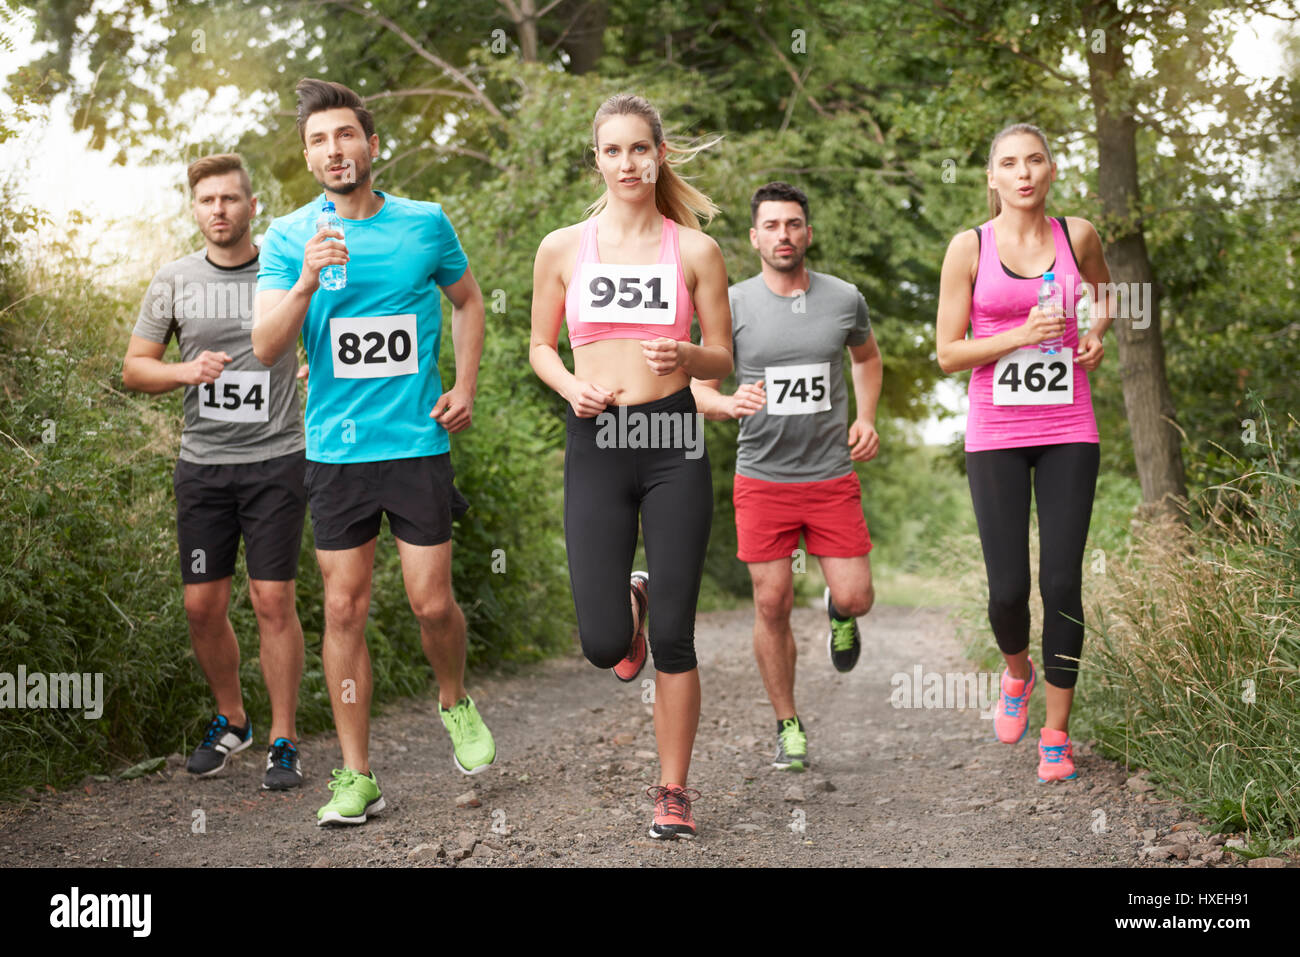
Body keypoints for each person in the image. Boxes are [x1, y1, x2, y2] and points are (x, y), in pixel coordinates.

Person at [252, 78, 494, 825]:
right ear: (307, 155)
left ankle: (453, 698)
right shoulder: (291, 237)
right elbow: (265, 348)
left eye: (346, 135)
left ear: (372, 144)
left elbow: (469, 301)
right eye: (320, 140)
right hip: (335, 452)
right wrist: (306, 282)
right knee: (342, 606)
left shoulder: (424, 224)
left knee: (430, 602)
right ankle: (357, 774)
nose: (335, 149)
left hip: (417, 441)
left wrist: (466, 384)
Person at [529, 93, 733, 839]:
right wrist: (569, 384)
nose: (626, 163)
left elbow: (723, 355)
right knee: (602, 644)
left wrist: (687, 356)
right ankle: (631, 603)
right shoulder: (562, 247)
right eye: (613, 151)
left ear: (660, 154)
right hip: (597, 441)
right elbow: (539, 347)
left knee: (676, 638)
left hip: (674, 438)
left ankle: (672, 789)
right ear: (597, 159)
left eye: (639, 149)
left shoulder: (696, 250)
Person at [934, 123, 1113, 782]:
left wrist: (1095, 332)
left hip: (1070, 425)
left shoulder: (1079, 236)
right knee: (1008, 589)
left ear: (1052, 168)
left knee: (1061, 583)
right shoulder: (968, 247)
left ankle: (1056, 734)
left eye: (1034, 160)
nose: (1024, 173)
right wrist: (1016, 333)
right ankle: (1017, 673)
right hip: (997, 434)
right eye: (1009, 163)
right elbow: (948, 352)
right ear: (992, 177)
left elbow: (1108, 294)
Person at [123, 153, 308, 790]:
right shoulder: (173, 280)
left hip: (278, 460)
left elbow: (331, 326)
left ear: (253, 206)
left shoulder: (283, 268)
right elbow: (134, 368)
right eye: (208, 201)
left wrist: (314, 369)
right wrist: (185, 371)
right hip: (203, 468)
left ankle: (284, 737)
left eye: (231, 199)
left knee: (272, 598)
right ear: (194, 209)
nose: (220, 210)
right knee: (202, 605)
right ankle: (233, 719)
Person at [692, 182, 882, 773]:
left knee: (858, 595)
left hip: (829, 474)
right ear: (754, 238)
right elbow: (697, 385)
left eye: (793, 224)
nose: (783, 235)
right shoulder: (732, 303)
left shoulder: (844, 298)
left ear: (807, 232)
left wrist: (868, 417)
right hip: (763, 476)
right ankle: (788, 723)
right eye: (771, 226)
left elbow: (867, 358)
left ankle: (838, 613)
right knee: (770, 601)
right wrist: (726, 404)